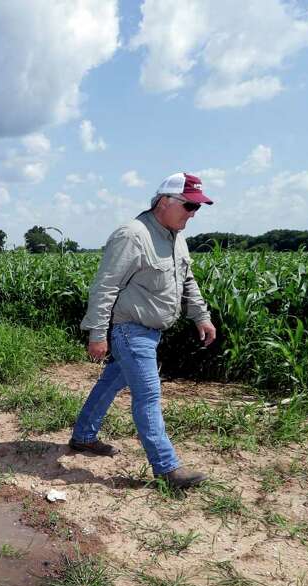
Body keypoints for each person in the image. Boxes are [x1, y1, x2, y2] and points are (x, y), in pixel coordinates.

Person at [68, 172, 218, 490]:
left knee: (109, 384)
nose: (193, 214)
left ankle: (83, 436)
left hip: (150, 332)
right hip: (130, 331)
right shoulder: (133, 235)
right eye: (189, 206)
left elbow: (186, 281)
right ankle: (167, 469)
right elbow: (105, 286)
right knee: (148, 396)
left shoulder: (175, 237)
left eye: (197, 208)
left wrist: (201, 317)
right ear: (165, 202)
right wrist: (97, 333)